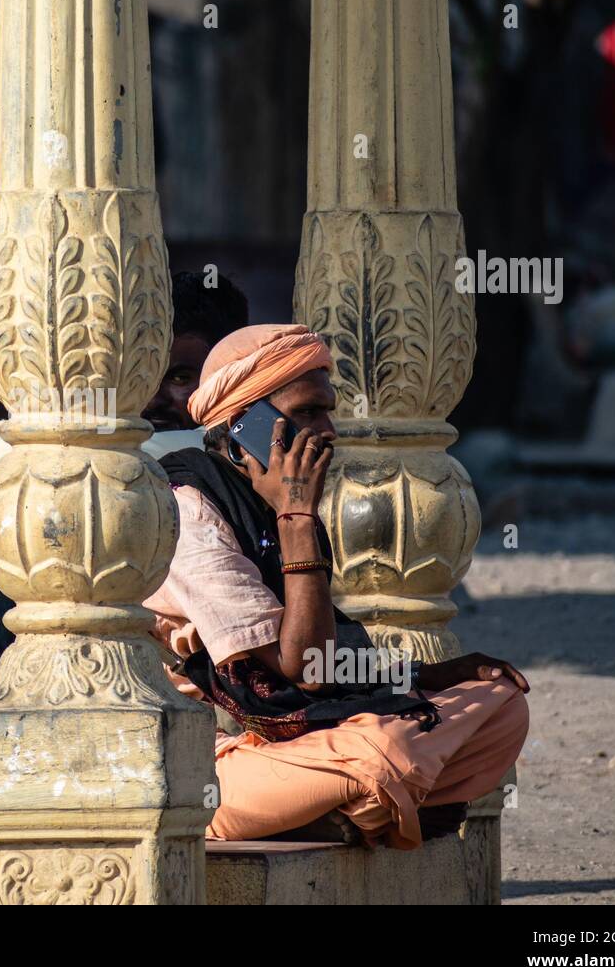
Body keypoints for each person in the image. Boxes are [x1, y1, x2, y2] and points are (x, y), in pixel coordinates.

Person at [0, 271, 250, 826]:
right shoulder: (119, 458)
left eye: (182, 377)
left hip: (231, 697)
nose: (157, 397)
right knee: (10, 524)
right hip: (120, 663)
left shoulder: (248, 452)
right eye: (145, 375)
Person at [151, 324, 529, 845]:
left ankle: (355, 805)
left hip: (299, 744)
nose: (328, 429)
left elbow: (325, 669)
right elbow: (305, 668)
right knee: (383, 753)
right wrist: (298, 518)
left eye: (327, 410)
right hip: (209, 770)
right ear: (246, 426)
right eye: (307, 412)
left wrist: (426, 675)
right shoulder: (190, 508)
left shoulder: (266, 504)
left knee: (501, 701)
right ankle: (363, 800)